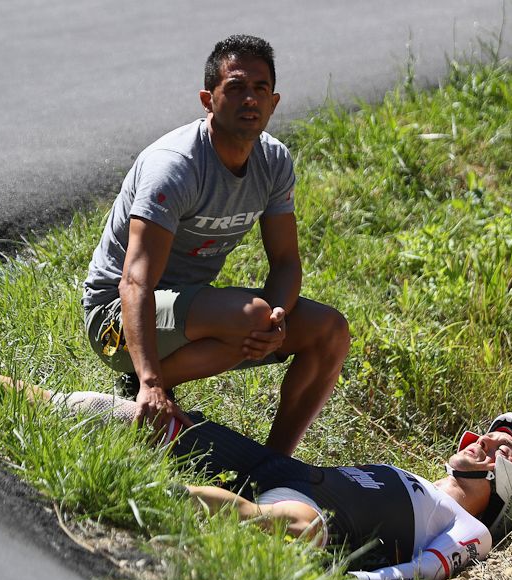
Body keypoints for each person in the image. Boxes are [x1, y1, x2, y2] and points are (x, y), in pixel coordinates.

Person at [0, 258, 512, 580]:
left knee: (289, 525)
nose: (488, 438)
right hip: (282, 470)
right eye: (492, 428)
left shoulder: (475, 531)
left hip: (314, 514)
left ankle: (100, 501)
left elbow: (420, 572)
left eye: (507, 443)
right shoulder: (424, 481)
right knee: (123, 416)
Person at [82, 34, 350, 456]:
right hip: (116, 322)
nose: (250, 100)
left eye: (260, 89)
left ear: (274, 102)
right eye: (236, 87)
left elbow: (285, 262)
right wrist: (151, 382)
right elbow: (134, 283)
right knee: (253, 316)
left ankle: (275, 465)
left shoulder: (273, 162)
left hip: (189, 315)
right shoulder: (174, 166)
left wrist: (278, 316)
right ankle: (143, 382)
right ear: (208, 99)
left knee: (330, 332)